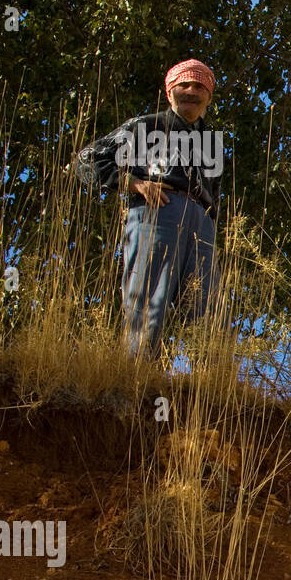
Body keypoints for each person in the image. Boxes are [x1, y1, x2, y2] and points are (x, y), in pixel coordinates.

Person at [75, 59, 226, 358]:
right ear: (169, 92)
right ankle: (137, 378)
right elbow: (86, 159)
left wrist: (211, 224)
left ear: (208, 96)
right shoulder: (145, 125)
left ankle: (208, 394)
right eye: (183, 84)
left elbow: (215, 193)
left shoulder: (213, 143)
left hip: (202, 223)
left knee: (205, 309)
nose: (191, 91)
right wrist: (133, 183)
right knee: (148, 299)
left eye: (199, 86)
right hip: (158, 213)